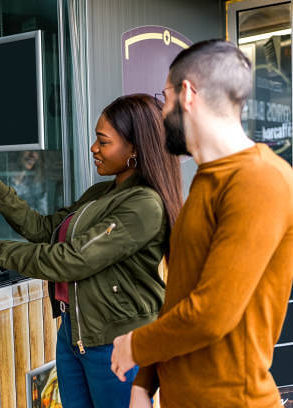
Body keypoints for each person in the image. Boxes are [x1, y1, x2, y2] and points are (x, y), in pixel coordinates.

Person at [0, 94, 183, 408]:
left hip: (116, 343)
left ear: (134, 149)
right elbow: (45, 230)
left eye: (103, 141)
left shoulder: (143, 204)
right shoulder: (102, 193)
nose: (93, 149)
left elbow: (73, 260)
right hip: (74, 335)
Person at [110, 40, 293, 408]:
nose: (161, 115)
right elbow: (180, 293)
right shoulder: (207, 180)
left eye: (165, 99)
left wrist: (135, 346)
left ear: (188, 93)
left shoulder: (260, 179)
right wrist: (143, 382)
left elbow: (211, 315)